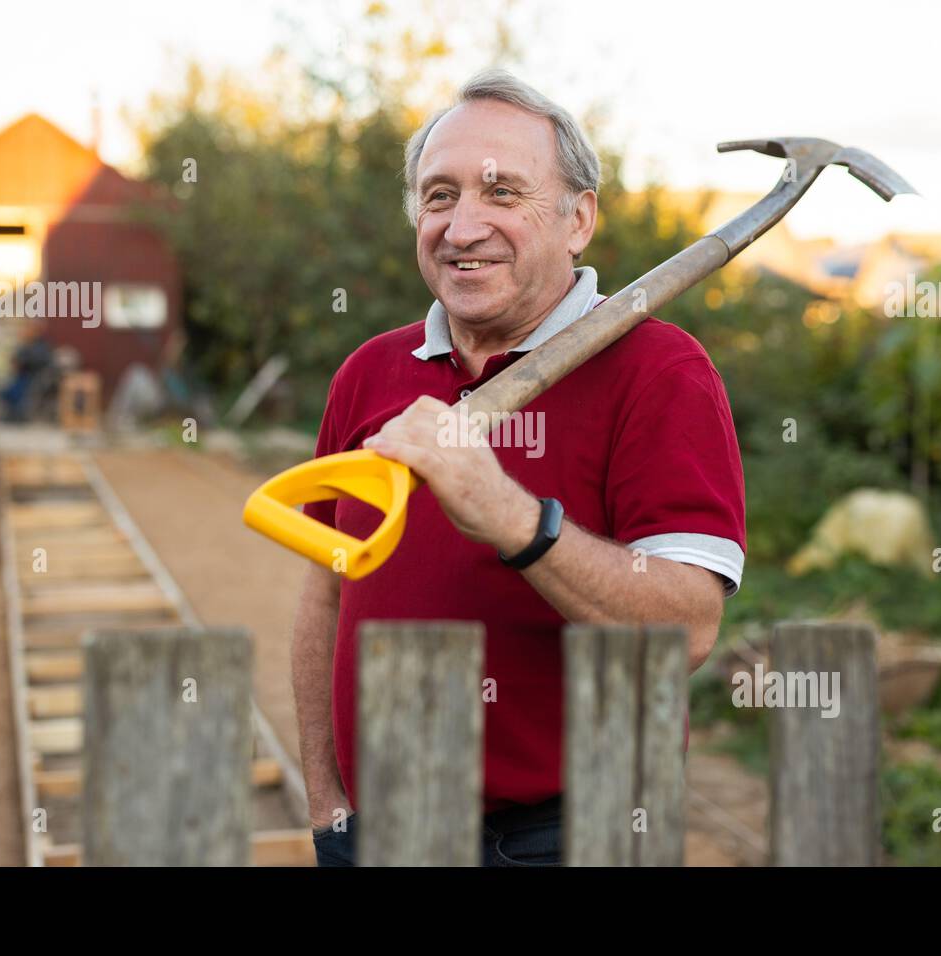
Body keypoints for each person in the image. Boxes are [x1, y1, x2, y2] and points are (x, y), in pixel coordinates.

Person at [295, 69, 747, 866]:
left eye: (502, 194)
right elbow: (324, 589)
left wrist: (512, 519)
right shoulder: (371, 371)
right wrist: (328, 804)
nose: (463, 226)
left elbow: (689, 628)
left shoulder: (660, 371)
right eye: (439, 196)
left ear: (578, 219)